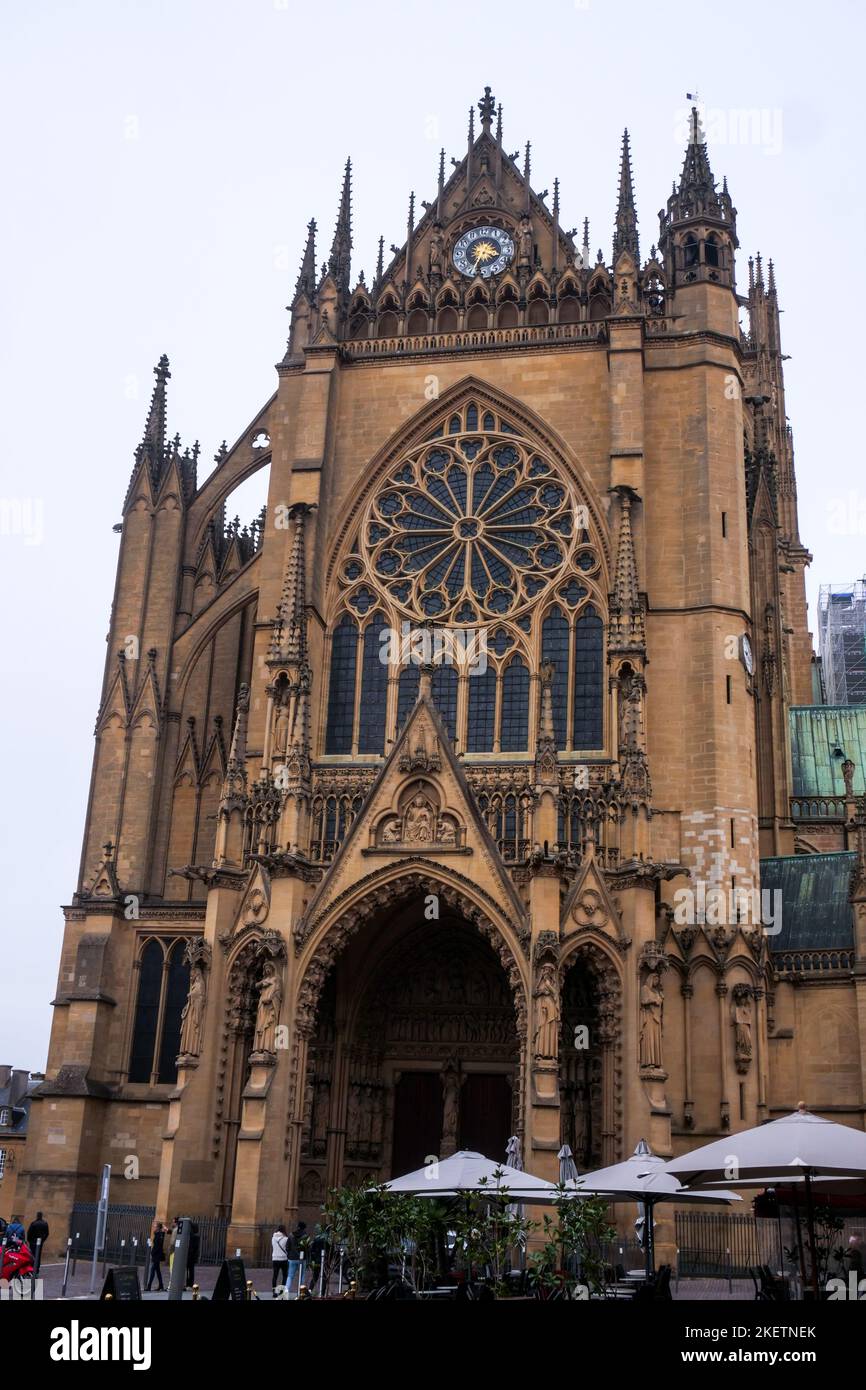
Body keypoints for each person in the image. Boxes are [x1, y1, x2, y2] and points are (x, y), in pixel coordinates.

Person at [286, 1222, 305, 1298]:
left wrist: (289, 1254)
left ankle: (286, 1291)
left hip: (292, 1258)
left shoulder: (291, 1235)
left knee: (290, 1276)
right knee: (302, 1275)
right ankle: (300, 1292)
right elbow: (307, 1248)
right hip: (302, 1258)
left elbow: (287, 1247)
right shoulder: (305, 1236)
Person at [146, 1223, 166, 1292]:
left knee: (152, 1271)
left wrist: (153, 1252)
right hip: (156, 1255)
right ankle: (161, 1285)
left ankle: (149, 1286)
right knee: (157, 1271)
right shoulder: (158, 1234)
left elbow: (158, 1246)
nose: (154, 1227)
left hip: (156, 1255)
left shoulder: (160, 1235)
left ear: (158, 1227)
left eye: (155, 1226)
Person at [271, 1224, 289, 1296]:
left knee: (275, 1275)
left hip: (275, 1258)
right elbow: (287, 1248)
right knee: (284, 1275)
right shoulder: (286, 1239)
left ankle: (274, 1292)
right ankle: (281, 1291)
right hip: (283, 1259)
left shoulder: (273, 1238)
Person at [185, 1222, 200, 1289]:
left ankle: (190, 1284)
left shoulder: (194, 1237)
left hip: (191, 1256)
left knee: (190, 1270)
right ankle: (188, 1283)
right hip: (191, 1256)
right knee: (189, 1270)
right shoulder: (194, 1236)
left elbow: (192, 1248)